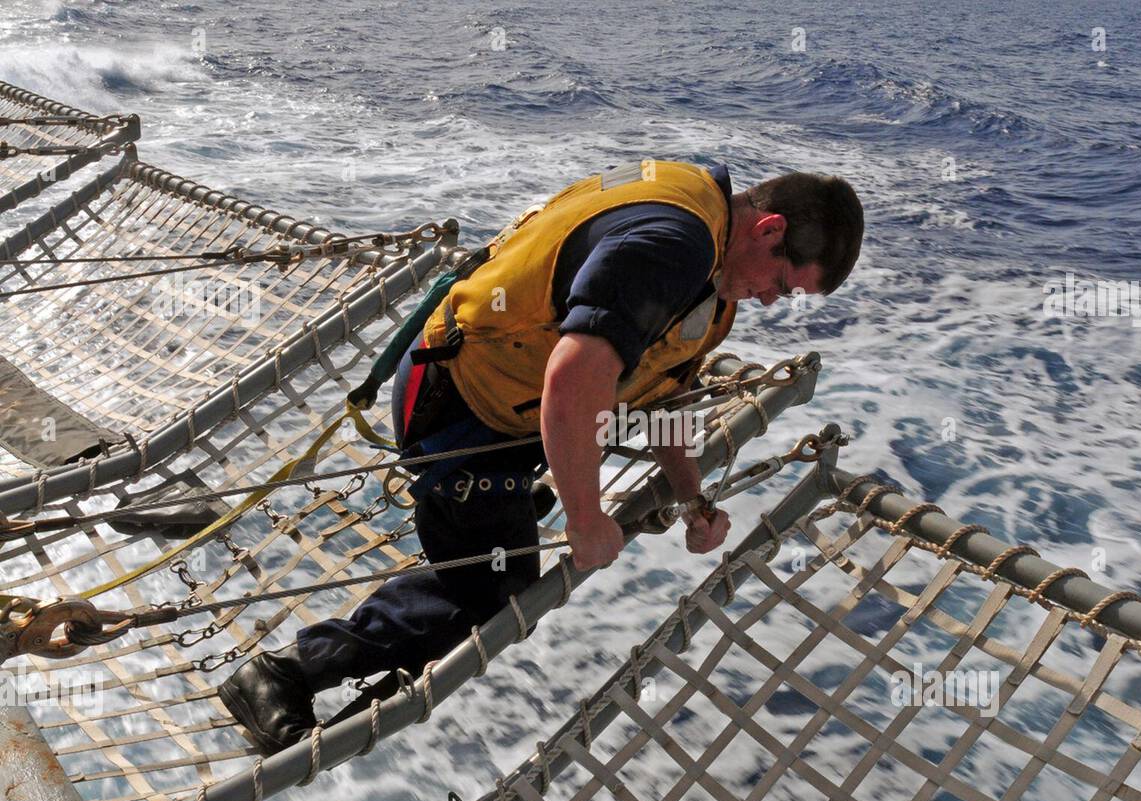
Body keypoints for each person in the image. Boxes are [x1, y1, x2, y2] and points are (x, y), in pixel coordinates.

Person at [217, 159, 863, 753]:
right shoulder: (677, 245)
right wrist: (584, 517)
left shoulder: (709, 256)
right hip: (457, 410)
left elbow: (668, 396)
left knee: (500, 561)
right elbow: (571, 380)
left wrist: (692, 495)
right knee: (495, 593)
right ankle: (282, 672)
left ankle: (502, 515)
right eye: (783, 283)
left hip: (506, 412)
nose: (774, 300)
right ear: (769, 227)